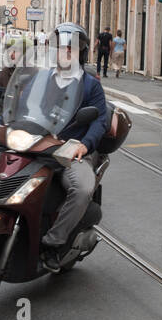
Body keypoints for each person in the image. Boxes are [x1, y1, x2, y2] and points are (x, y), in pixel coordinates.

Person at [39, 23, 109, 272]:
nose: (65, 52)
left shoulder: (90, 85)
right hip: (39, 146)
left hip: (72, 150)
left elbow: (100, 120)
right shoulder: (44, 79)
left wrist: (85, 144)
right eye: (61, 47)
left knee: (82, 188)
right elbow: (26, 105)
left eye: (72, 48)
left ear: (81, 52)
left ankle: (53, 244)